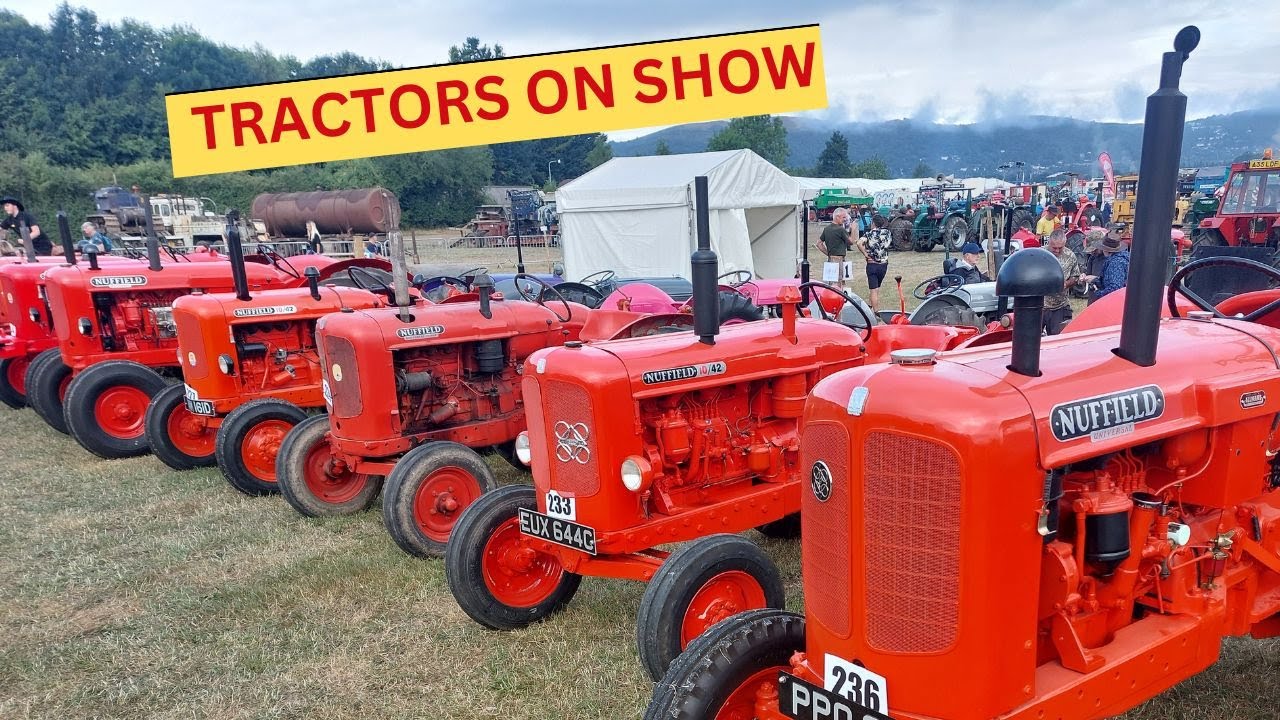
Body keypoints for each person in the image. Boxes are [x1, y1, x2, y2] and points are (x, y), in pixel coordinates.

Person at [1042, 229, 1090, 334]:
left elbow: (1075, 276)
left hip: (1059, 306)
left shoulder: (1070, 256)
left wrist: (1066, 284)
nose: (1057, 251)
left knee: (1057, 339)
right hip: (1039, 305)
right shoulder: (1040, 254)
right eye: (1054, 248)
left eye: (1060, 248)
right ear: (1049, 242)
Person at [857, 214, 892, 313]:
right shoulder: (887, 233)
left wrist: (865, 254)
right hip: (883, 264)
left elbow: (859, 243)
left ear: (873, 223)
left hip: (872, 264)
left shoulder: (869, 234)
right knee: (876, 288)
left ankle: (876, 312)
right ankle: (869, 306)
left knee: (873, 289)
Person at [818, 207, 851, 288]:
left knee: (831, 282)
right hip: (839, 258)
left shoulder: (826, 229)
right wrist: (853, 229)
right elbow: (851, 241)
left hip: (830, 258)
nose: (845, 219)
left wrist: (828, 253)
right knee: (839, 282)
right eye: (843, 217)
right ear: (837, 217)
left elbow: (819, 243)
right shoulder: (841, 229)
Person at [1094, 232, 1130, 300]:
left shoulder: (1116, 263)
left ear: (1105, 249)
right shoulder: (1122, 258)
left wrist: (1098, 293)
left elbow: (1114, 288)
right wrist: (1095, 280)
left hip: (1117, 302)